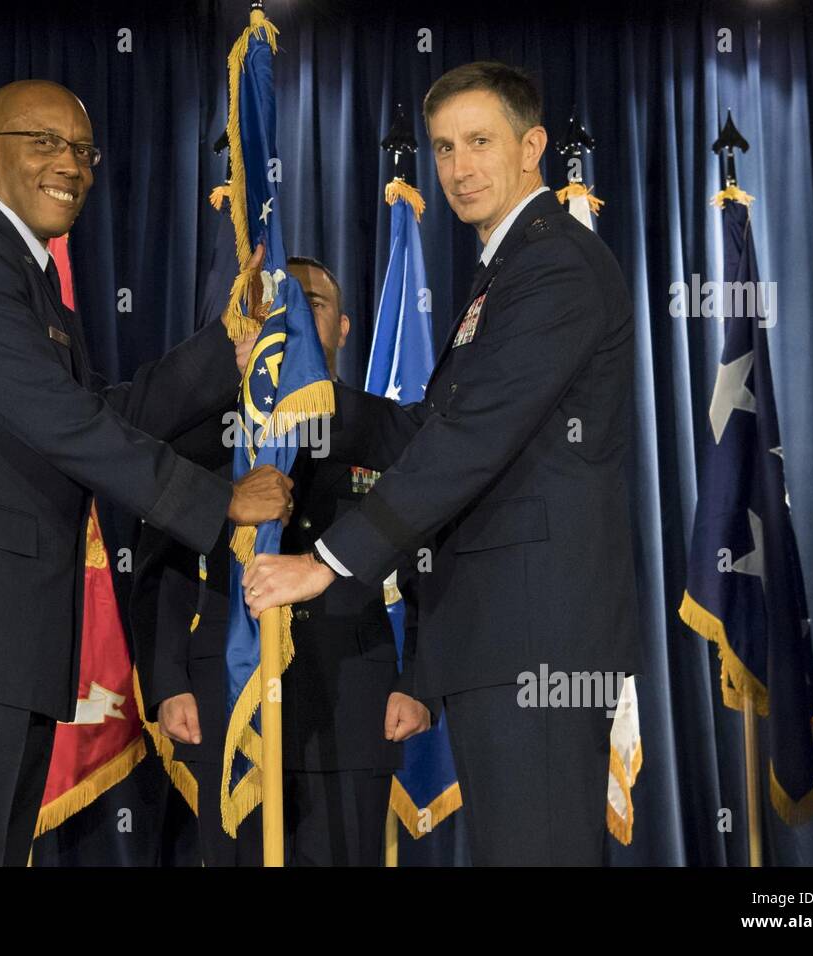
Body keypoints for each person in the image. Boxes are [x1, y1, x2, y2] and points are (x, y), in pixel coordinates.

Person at [0, 80, 292, 866]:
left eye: (82, 151)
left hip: (2, 641)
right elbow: (63, 422)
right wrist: (221, 503)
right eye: (43, 142)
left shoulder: (28, 270)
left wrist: (230, 346)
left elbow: (99, 411)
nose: (71, 166)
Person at [242, 62, 641, 865]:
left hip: (539, 641)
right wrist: (309, 386)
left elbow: (472, 439)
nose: (457, 168)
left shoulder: (554, 263)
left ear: (532, 147)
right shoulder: (505, 266)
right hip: (502, 631)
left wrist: (327, 563)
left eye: (480, 142)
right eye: (444, 147)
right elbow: (429, 427)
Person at [133, 257, 431, 866]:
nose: (291, 313)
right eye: (276, 300)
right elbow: (160, 566)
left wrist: (420, 682)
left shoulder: (383, 428)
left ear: (344, 328)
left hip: (353, 699)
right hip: (227, 696)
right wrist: (167, 682)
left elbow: (430, 558)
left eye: (311, 302)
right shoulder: (205, 432)